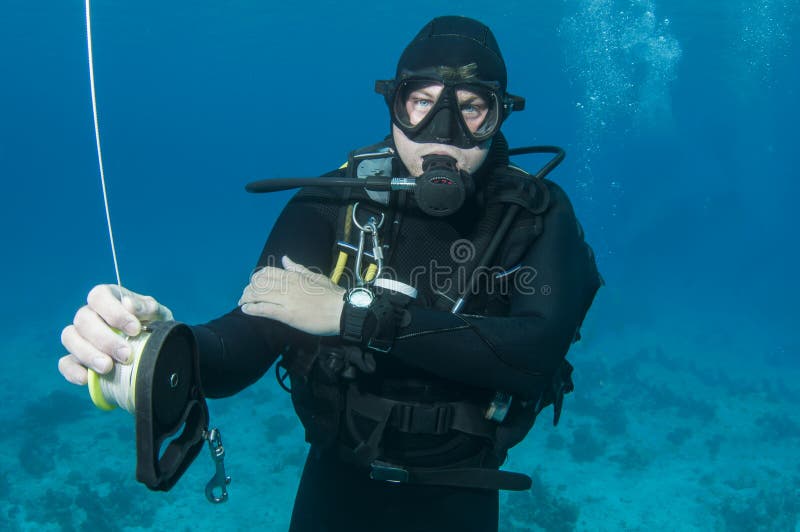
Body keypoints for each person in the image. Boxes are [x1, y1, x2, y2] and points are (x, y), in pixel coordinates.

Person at [59, 16, 602, 532]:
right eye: (420, 102)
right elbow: (248, 339)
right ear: (393, 104)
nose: (443, 132)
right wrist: (162, 355)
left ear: (500, 114)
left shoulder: (536, 213)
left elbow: (535, 355)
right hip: (338, 478)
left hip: (462, 489)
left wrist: (353, 314)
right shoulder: (331, 203)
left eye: (472, 108)